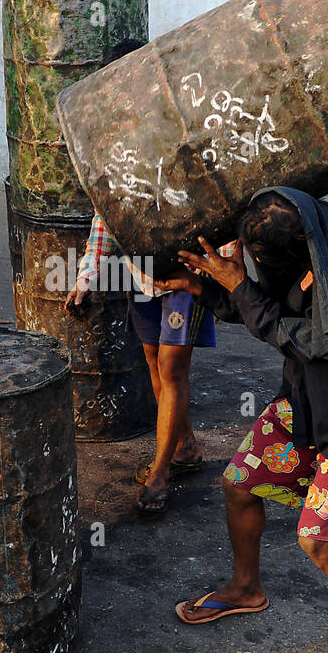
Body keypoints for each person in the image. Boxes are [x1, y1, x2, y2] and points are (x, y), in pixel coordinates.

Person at [157, 187, 328, 653]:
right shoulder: (306, 250)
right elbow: (271, 311)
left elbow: (301, 334)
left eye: (271, 256)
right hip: (301, 402)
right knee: (239, 485)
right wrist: (206, 289)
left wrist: (237, 285)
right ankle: (247, 587)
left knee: (318, 539)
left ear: (302, 242)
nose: (264, 264)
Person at [65, 212, 215, 515]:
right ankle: (185, 447)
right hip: (142, 275)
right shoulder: (123, 165)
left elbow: (219, 207)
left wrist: (222, 274)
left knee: (172, 370)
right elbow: (106, 216)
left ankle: (160, 472)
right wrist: (85, 279)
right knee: (155, 364)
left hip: (187, 276)